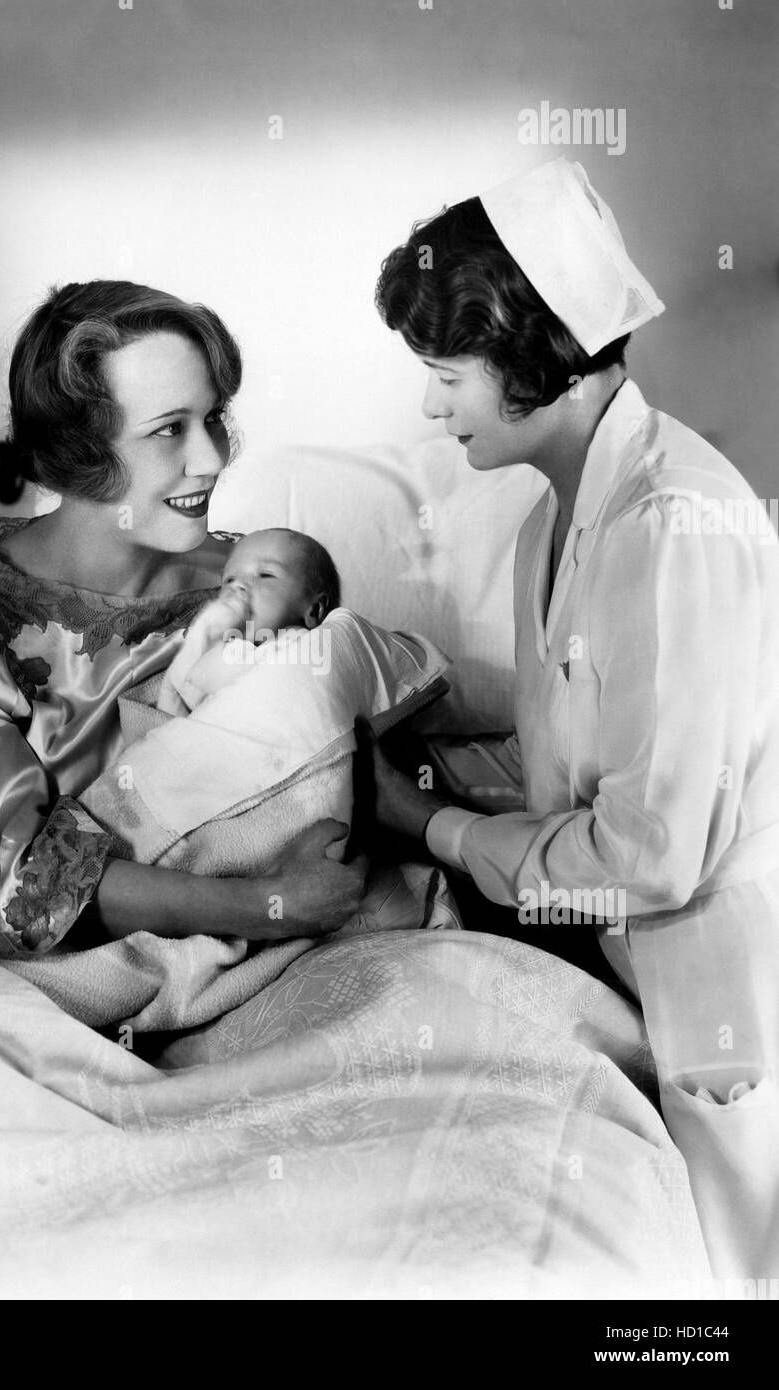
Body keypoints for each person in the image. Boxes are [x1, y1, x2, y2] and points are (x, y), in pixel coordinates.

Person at [366, 158, 779, 1280]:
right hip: (631, 964)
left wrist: (432, 824)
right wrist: (406, 710)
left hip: (723, 990)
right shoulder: (553, 518)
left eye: (442, 369)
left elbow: (646, 855)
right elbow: (569, 748)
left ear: (523, 346)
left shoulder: (672, 523)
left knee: (723, 1292)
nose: (427, 404)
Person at [0, 281, 366, 957]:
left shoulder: (251, 581)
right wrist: (262, 906)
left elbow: (334, 729)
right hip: (28, 954)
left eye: (213, 419)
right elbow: (9, 873)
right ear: (79, 450)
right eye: (169, 429)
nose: (212, 459)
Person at [157, 527, 340, 713]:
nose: (237, 586)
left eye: (265, 575)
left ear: (315, 610)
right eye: (229, 579)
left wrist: (206, 630)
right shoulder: (220, 650)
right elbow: (175, 700)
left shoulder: (300, 647)